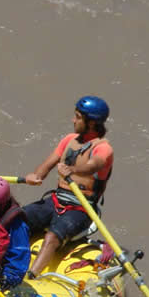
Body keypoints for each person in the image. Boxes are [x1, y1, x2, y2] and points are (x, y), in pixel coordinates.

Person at [21, 96, 114, 279]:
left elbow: (93, 165)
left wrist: (71, 170)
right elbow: (46, 166)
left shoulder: (104, 149)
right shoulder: (69, 140)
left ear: (91, 122)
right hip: (56, 200)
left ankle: (29, 278)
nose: (73, 120)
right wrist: (36, 176)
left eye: (78, 117)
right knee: (17, 217)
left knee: (52, 237)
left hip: (81, 208)